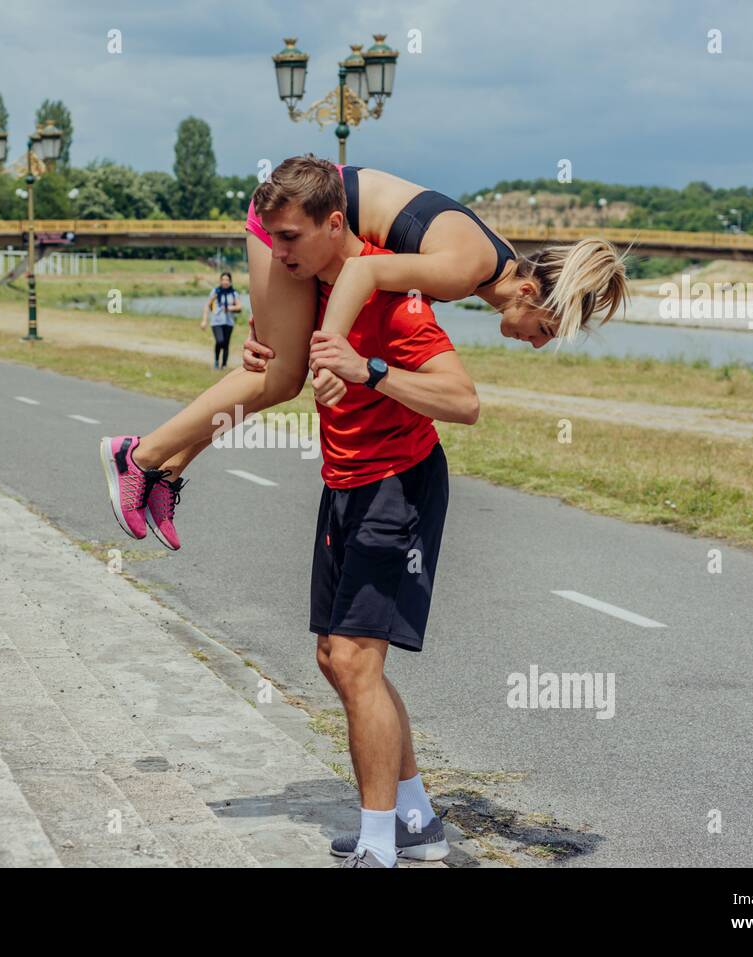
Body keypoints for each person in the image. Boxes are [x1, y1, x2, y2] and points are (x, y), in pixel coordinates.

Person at [100, 154, 628, 550]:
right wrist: (326, 352)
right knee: (283, 376)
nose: (538, 342)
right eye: (545, 330)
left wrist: (285, 319)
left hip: (317, 228)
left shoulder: (497, 263)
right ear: (531, 294)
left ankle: (165, 472)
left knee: (279, 369)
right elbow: (362, 269)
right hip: (302, 217)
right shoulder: (463, 272)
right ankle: (138, 455)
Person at [252, 168, 480, 866]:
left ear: (332, 222)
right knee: (335, 656)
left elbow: (463, 400)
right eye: (272, 236)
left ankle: (380, 846)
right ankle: (416, 819)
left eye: (289, 237)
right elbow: (287, 360)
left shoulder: (388, 286)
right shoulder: (312, 283)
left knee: (354, 659)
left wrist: (369, 369)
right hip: (345, 479)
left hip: (398, 482)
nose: (278, 250)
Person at [200, 271, 241, 369]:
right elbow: (207, 305)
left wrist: (230, 308)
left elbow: (239, 307)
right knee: (220, 341)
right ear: (220, 281)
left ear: (230, 281)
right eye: (223, 279)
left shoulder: (234, 293)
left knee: (226, 343)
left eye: (227, 280)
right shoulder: (216, 292)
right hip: (216, 322)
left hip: (229, 322)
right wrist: (204, 320)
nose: (225, 282)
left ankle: (224, 365)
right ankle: (216, 361)